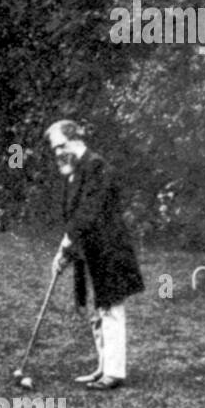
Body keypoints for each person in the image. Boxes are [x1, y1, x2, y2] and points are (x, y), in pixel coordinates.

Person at [42, 119, 144, 391]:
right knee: (96, 313)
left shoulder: (96, 166)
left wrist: (65, 246)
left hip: (110, 251)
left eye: (61, 146)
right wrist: (65, 253)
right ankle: (103, 367)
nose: (58, 153)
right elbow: (74, 220)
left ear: (76, 139)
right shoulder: (74, 172)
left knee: (110, 309)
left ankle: (114, 372)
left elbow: (88, 213)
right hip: (90, 253)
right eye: (55, 149)